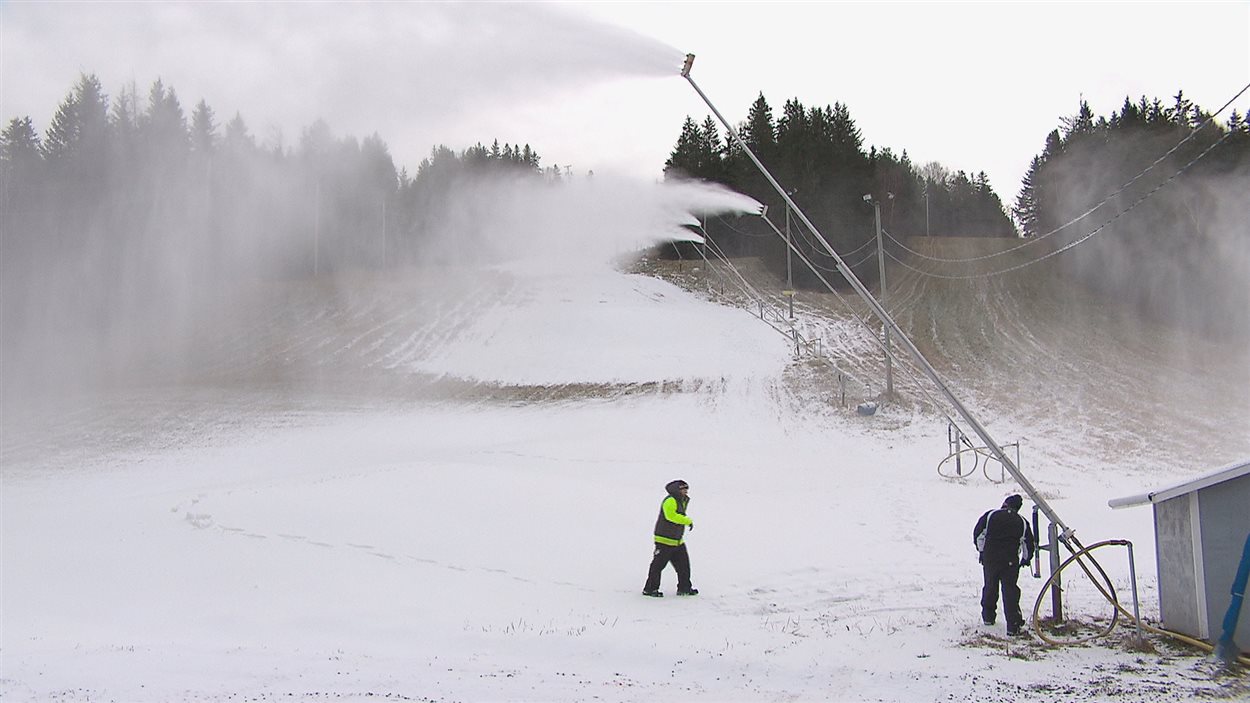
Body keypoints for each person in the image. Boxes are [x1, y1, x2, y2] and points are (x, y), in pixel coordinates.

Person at [973, 494, 1035, 635]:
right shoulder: (1021, 521)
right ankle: (1013, 625)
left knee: (990, 585)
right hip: (1010, 561)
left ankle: (988, 617)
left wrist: (982, 551)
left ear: (1005, 503)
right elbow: (1028, 543)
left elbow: (978, 534)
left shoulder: (990, 515)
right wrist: (1026, 559)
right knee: (1010, 591)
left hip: (990, 559)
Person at [642, 479, 698, 597]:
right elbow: (670, 516)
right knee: (658, 565)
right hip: (664, 540)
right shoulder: (670, 500)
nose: (686, 492)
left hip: (677, 540)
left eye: (686, 489)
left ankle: (684, 588)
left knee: (684, 566)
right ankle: (650, 589)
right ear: (678, 490)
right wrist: (687, 521)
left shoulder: (681, 500)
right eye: (683, 489)